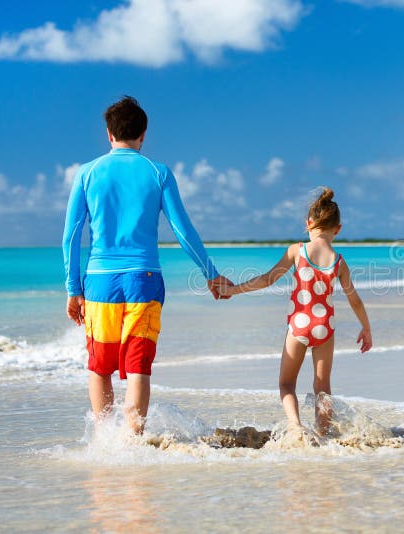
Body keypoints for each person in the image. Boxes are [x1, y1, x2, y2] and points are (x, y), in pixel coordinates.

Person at [62, 96, 232, 434]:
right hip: (145, 279)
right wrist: (210, 274)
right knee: (138, 365)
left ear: (109, 134)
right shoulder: (158, 172)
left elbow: (71, 236)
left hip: (100, 281)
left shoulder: (87, 173)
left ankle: (104, 440)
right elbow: (183, 231)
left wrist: (73, 288)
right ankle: (134, 440)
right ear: (143, 134)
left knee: (100, 366)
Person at [217, 187, 372, 436]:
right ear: (338, 229)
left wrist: (234, 290)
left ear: (308, 223)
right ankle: (323, 434)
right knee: (323, 389)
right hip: (325, 327)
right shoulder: (339, 262)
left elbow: (267, 279)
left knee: (287, 384)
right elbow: (354, 300)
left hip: (299, 325)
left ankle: (296, 427)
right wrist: (366, 327)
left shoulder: (297, 251)